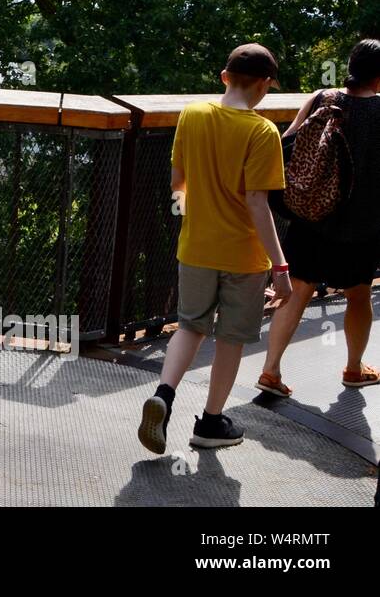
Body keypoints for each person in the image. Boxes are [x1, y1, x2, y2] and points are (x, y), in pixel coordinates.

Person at [137, 43, 293, 453]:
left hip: (196, 247)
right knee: (230, 338)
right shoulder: (262, 133)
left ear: (224, 77)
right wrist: (280, 268)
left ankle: (164, 396)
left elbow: (178, 180)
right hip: (243, 255)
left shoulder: (193, 114)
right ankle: (210, 423)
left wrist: (197, 214)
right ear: (264, 85)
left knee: (189, 327)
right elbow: (258, 205)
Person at [257, 39, 380, 397]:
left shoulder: (322, 98)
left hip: (311, 217)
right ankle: (354, 369)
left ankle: (270, 371)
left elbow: (288, 145)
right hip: (362, 228)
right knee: (358, 297)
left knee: (296, 293)